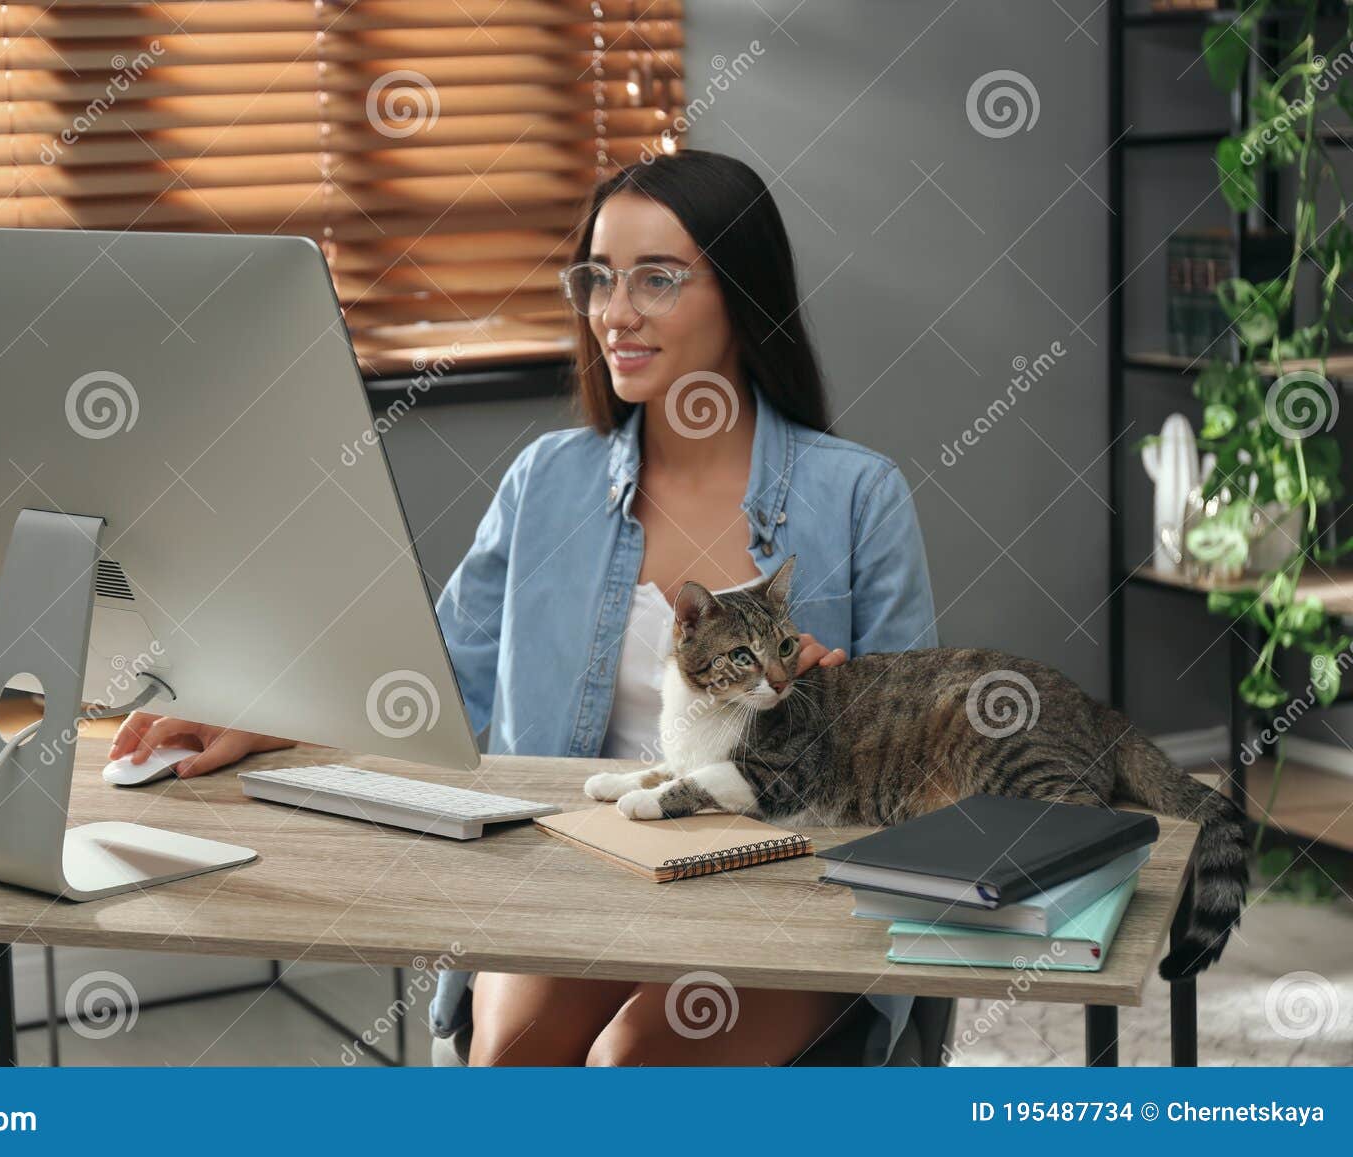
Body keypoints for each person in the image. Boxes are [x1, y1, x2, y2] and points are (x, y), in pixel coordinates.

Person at [109, 149, 936, 1066]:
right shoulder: (547, 482)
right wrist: (262, 709)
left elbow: (919, 772)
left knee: (629, 1067)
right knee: (510, 1060)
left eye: (657, 279)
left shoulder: (858, 496)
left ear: (742, 295)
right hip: (575, 870)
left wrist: (840, 720)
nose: (615, 313)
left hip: (775, 888)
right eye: (599, 278)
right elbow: (431, 684)